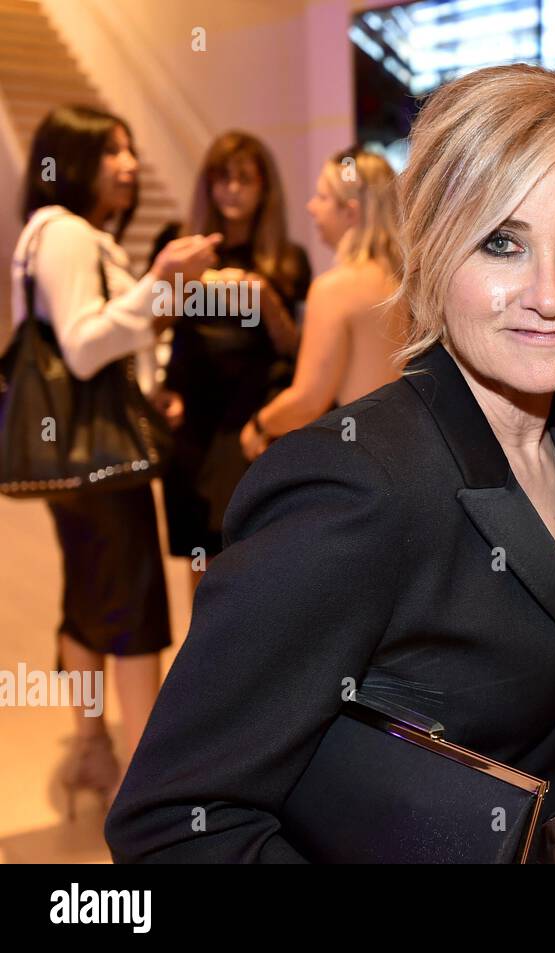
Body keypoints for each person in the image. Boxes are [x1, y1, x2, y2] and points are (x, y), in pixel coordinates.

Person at [104, 64, 555, 862]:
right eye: (502, 243)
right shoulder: (355, 484)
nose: (549, 292)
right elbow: (174, 820)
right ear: (427, 252)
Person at [9, 105, 218, 814]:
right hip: (99, 460)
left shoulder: (54, 232)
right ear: (72, 159)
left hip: (76, 452)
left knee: (89, 601)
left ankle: (96, 753)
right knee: (132, 610)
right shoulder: (68, 233)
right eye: (113, 152)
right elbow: (84, 343)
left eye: (130, 149)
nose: (129, 165)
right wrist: (161, 276)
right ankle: (146, 786)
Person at [157, 132, 312, 587]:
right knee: (199, 561)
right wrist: (186, 282)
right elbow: (151, 327)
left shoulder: (286, 259)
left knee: (255, 557)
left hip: (252, 419)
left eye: (245, 179)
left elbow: (294, 351)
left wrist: (263, 297)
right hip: (193, 421)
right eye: (222, 179)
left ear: (265, 187)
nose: (232, 190)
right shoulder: (180, 247)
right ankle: (204, 659)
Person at [239, 148, 404, 460]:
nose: (311, 207)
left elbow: (308, 400)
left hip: (361, 459)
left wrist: (260, 425)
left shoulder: (335, 289)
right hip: (409, 454)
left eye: (322, 197)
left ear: (351, 212)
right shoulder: (413, 285)